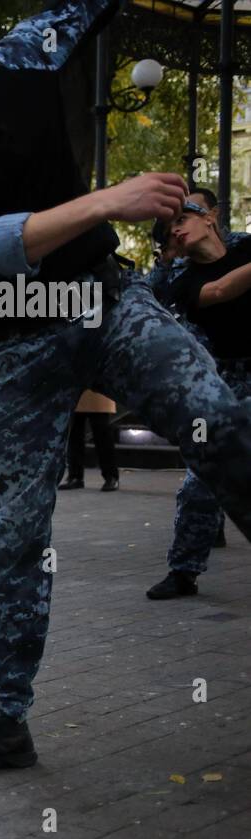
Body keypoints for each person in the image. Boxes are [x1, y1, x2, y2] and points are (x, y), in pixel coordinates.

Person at [0, 0, 251, 778]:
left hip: (104, 301)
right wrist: (110, 200)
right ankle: (2, 721)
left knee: (218, 422)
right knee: (12, 539)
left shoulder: (25, 55)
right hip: (16, 347)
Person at [147, 195, 251, 600]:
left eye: (183, 218)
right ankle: (184, 571)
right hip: (222, 382)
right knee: (198, 483)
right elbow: (221, 290)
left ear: (210, 218)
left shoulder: (244, 245)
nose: (176, 227)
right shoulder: (182, 278)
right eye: (170, 225)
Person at [58, 391, 119, 492]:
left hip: (98, 387)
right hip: (76, 389)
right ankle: (75, 476)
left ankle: (111, 476)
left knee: (102, 434)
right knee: (74, 435)